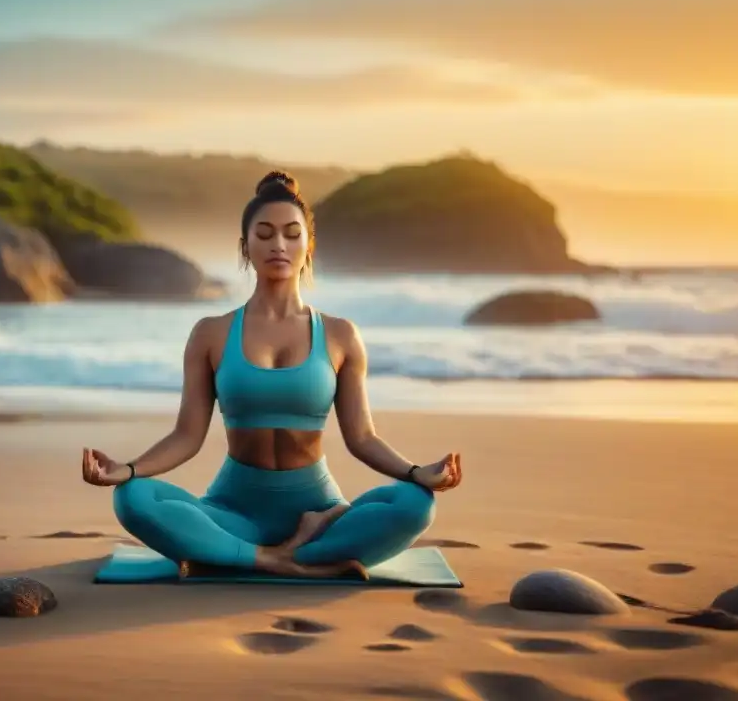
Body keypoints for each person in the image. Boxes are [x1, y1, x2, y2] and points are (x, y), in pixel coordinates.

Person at [81, 170, 463, 579]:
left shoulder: (340, 335)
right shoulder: (212, 332)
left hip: (319, 510)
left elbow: (362, 437)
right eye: (263, 234)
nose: (278, 245)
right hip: (233, 510)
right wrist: (129, 469)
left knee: (416, 504)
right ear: (245, 247)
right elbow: (187, 436)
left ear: (308, 245)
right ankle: (280, 557)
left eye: (290, 234)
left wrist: (415, 472)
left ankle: (244, 553)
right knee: (133, 499)